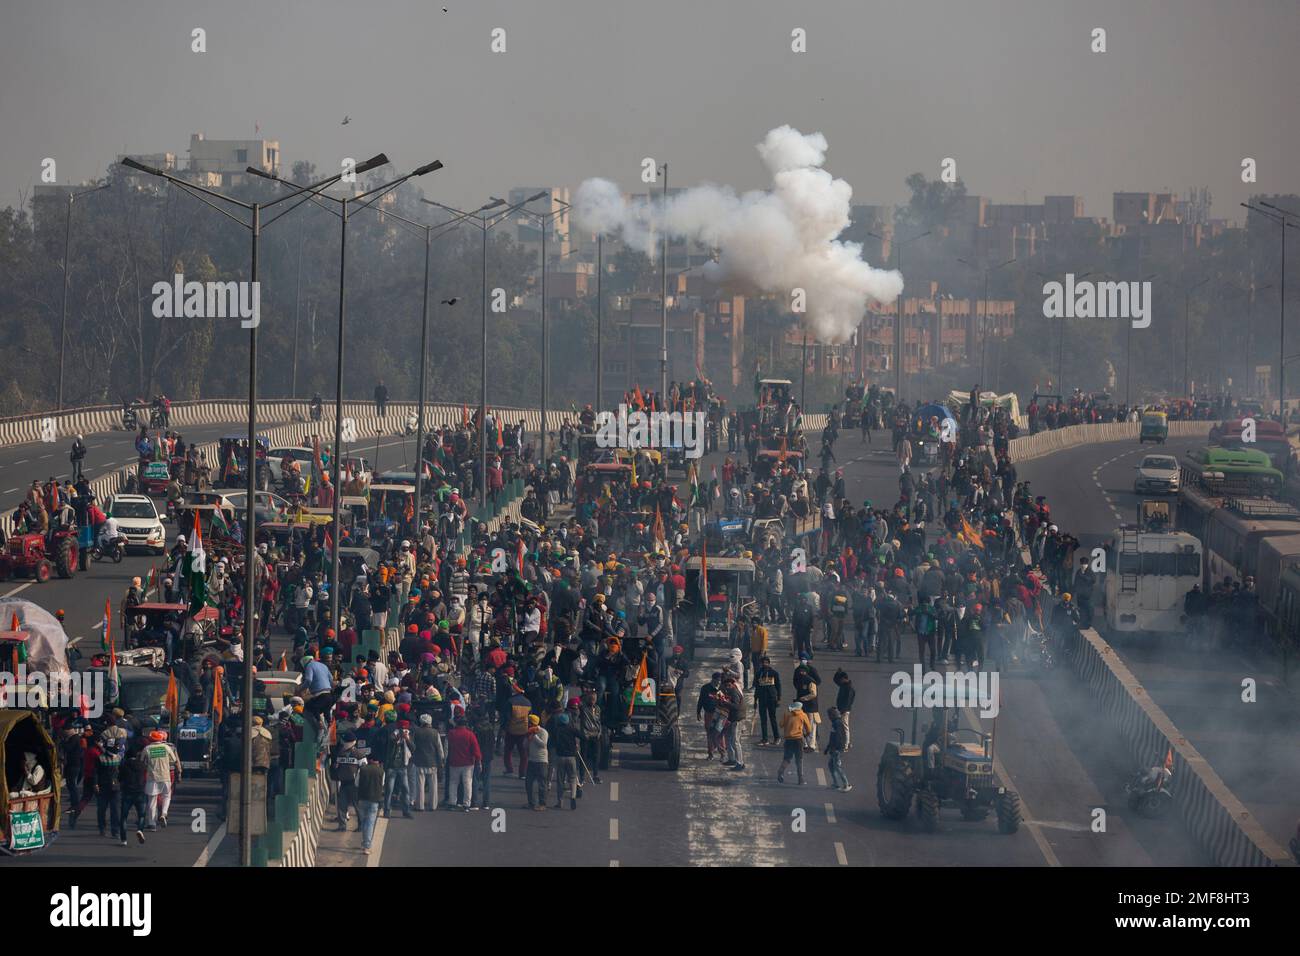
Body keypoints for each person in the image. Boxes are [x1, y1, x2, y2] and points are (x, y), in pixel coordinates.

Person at [143, 729, 181, 829]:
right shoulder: (167, 747)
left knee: (152, 801)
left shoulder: (147, 748)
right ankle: (164, 814)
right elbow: (173, 760)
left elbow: (142, 761)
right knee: (167, 796)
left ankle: (152, 824)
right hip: (165, 777)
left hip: (152, 778)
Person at [409, 713, 444, 811]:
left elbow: (413, 746)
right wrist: (441, 760)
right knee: (433, 785)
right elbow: (439, 748)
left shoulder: (417, 732)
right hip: (432, 762)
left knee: (420, 785)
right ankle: (433, 805)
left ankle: (420, 806)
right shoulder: (435, 732)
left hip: (419, 762)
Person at [447, 715, 482, 811]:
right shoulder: (470, 734)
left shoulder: (451, 733)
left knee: (453, 783)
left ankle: (452, 803)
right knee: (467, 784)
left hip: (454, 762)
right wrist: (478, 760)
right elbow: (476, 749)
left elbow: (448, 746)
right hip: (468, 763)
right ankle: (466, 804)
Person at [777, 701, 812, 785]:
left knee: (787, 758)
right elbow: (809, 729)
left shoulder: (787, 713)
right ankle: (800, 779)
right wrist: (805, 734)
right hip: (798, 740)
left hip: (788, 739)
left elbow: (781, 724)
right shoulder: (803, 715)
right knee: (799, 759)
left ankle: (780, 772)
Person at [357, 754, 385, 855]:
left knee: (364, 822)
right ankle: (366, 846)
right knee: (370, 823)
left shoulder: (362, 770)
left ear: (369, 760)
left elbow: (356, 783)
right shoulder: (381, 771)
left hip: (362, 799)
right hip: (374, 800)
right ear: (377, 761)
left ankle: (364, 842)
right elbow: (382, 784)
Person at [754, 655, 782, 745]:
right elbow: (757, 687)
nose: (764, 664)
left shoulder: (774, 673)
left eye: (766, 662)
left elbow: (778, 686)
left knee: (772, 719)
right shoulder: (758, 674)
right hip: (762, 699)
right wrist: (755, 700)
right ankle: (765, 739)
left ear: (769, 663)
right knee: (763, 720)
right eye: (763, 663)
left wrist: (779, 699)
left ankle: (777, 737)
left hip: (771, 699)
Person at [524, 714, 550, 810]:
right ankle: (531, 802)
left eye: (529, 724)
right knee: (528, 783)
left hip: (541, 761)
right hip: (531, 760)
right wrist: (528, 738)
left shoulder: (543, 732)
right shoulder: (529, 732)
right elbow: (525, 745)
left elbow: (543, 744)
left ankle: (542, 804)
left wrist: (534, 736)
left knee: (542, 783)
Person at [825, 707, 852, 792]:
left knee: (837, 767)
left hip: (836, 749)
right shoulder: (836, 723)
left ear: (833, 715)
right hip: (835, 749)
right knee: (831, 766)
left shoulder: (837, 724)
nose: (829, 717)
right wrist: (828, 748)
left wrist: (834, 748)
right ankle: (836, 784)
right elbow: (832, 737)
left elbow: (837, 738)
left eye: (829, 715)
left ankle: (846, 784)